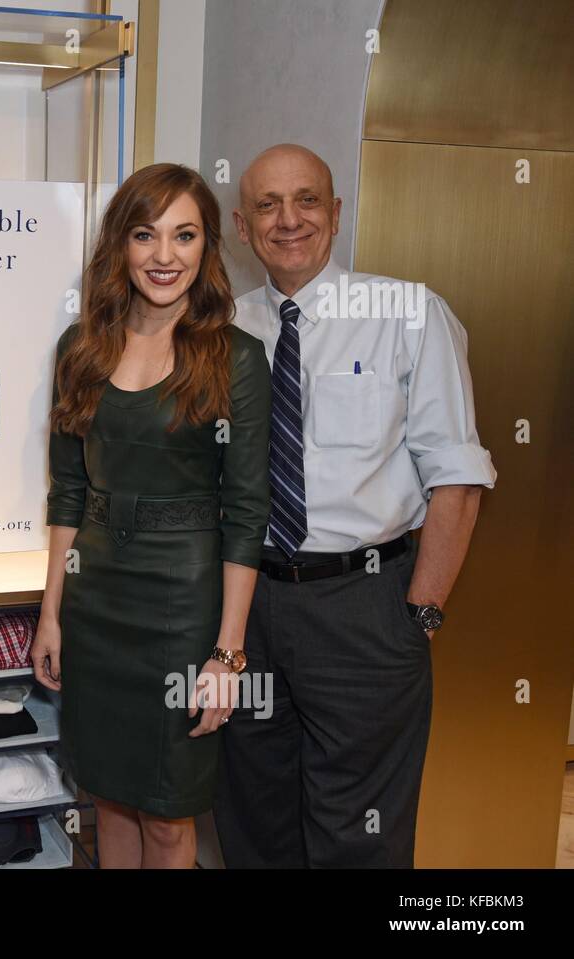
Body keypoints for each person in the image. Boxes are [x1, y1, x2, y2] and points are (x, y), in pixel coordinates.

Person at [214, 143, 496, 867]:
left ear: (336, 214)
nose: (288, 220)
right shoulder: (222, 330)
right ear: (243, 228)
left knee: (357, 838)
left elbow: (458, 479)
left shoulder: (409, 313)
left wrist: (420, 614)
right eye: (268, 206)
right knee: (254, 821)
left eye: (306, 199)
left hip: (365, 606)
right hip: (248, 606)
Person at [32, 163, 271, 868]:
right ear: (121, 245)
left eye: (184, 235)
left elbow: (247, 510)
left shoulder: (234, 358)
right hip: (97, 600)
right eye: (146, 234)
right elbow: (68, 491)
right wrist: (52, 613)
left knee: (169, 814)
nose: (165, 256)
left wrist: (228, 653)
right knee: (108, 798)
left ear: (207, 248)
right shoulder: (80, 350)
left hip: (184, 608)